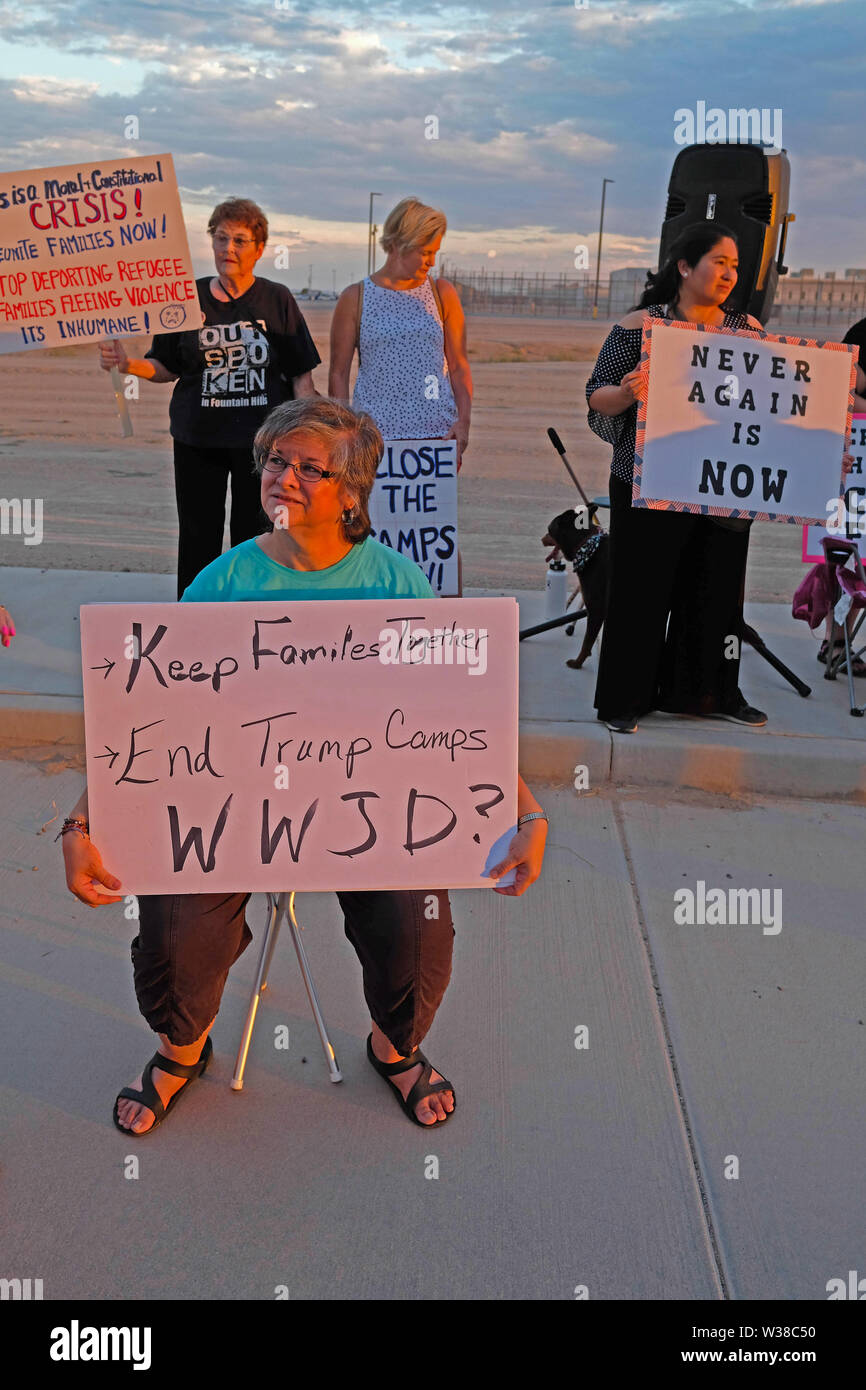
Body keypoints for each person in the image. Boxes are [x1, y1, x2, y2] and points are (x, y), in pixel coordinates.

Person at [61, 398, 548, 1136]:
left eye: (307, 467)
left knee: (417, 937)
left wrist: (526, 810)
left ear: (351, 491)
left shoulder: (398, 586)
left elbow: (458, 724)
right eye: (275, 460)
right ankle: (181, 1050)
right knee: (172, 936)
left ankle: (393, 1048)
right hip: (229, 807)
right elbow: (153, 722)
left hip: (373, 810)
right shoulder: (221, 585)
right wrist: (81, 817)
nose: (282, 477)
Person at [586, 223, 769, 734]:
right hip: (647, 480)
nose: (730, 274)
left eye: (735, 265)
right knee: (639, 591)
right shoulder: (640, 326)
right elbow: (595, 396)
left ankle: (707, 693)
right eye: (719, 262)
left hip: (720, 487)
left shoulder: (748, 331)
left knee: (716, 592)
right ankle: (625, 699)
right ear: (685, 267)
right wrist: (626, 394)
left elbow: (773, 418)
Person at [99, 197, 321, 599]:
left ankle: (254, 613)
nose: (227, 249)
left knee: (255, 536)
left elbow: (301, 378)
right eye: (220, 238)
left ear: (258, 247)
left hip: (263, 447)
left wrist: (311, 437)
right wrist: (127, 364)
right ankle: (194, 617)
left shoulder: (277, 299)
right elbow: (165, 366)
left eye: (239, 240)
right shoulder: (186, 298)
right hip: (197, 440)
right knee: (197, 534)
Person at [328, 196, 472, 590]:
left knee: (436, 536)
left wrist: (463, 422)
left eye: (435, 253)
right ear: (397, 243)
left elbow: (458, 365)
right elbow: (338, 373)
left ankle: (446, 629)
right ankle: (379, 625)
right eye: (425, 252)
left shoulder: (442, 294)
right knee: (375, 536)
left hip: (433, 438)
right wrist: (342, 436)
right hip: (374, 441)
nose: (431, 262)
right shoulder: (355, 298)